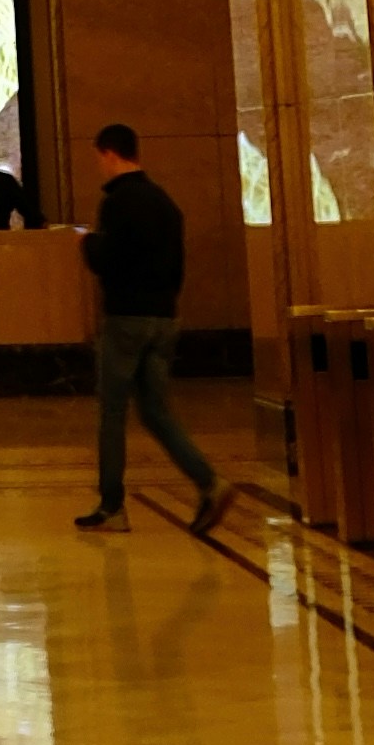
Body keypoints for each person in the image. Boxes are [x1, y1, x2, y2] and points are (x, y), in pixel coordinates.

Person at [73, 121, 221, 529]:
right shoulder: (164, 202)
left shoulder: (118, 203)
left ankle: (111, 507)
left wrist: (87, 243)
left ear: (109, 154)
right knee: (156, 411)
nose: (99, 168)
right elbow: (178, 265)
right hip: (164, 318)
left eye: (98, 159)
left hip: (126, 319)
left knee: (113, 412)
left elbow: (107, 260)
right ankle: (209, 482)